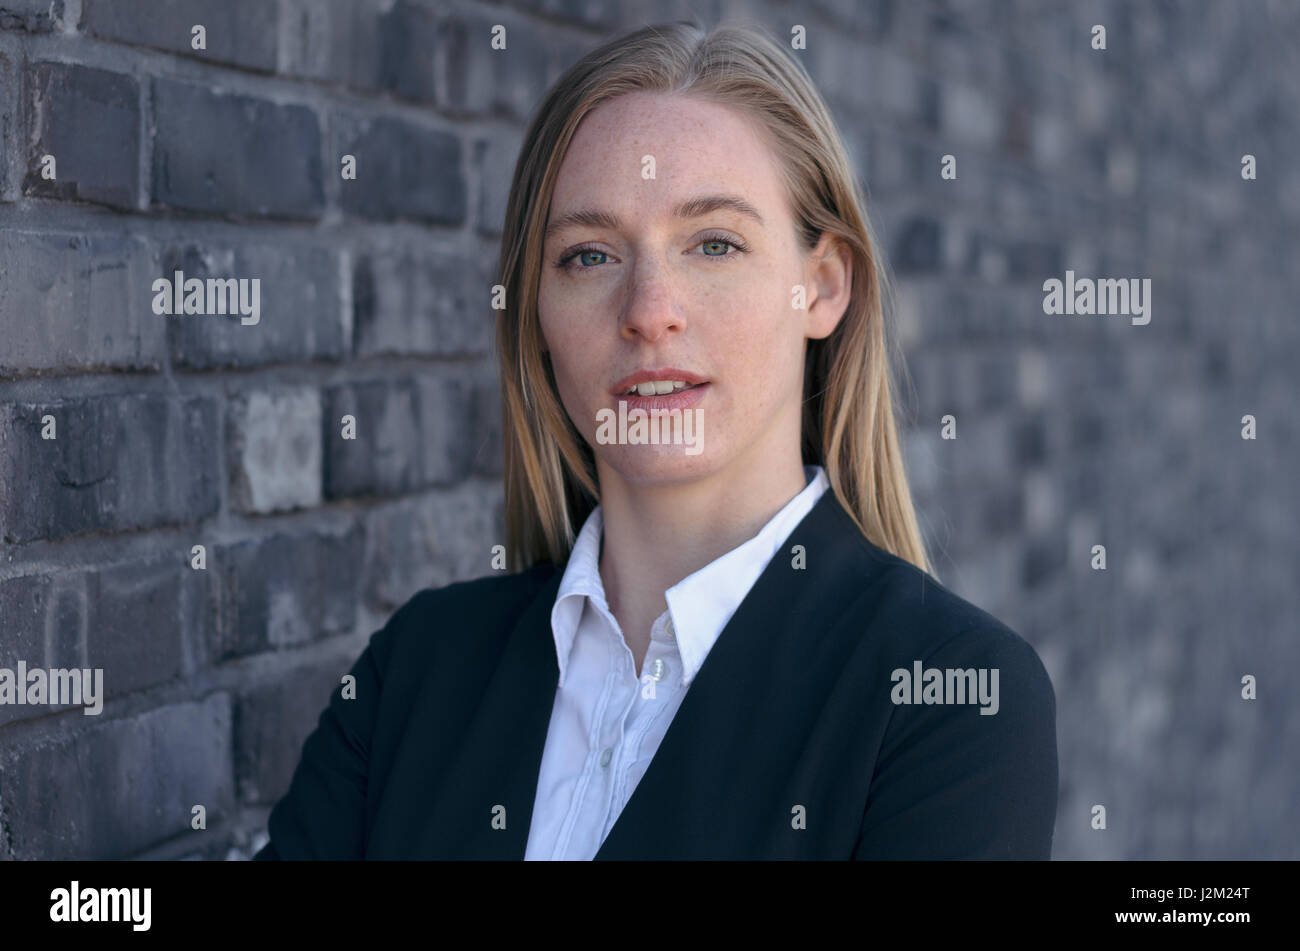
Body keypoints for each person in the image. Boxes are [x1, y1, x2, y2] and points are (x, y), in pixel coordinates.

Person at [254, 19, 1057, 861]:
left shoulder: (950, 698)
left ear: (821, 287)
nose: (648, 308)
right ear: (535, 312)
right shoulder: (417, 670)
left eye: (714, 243)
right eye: (589, 256)